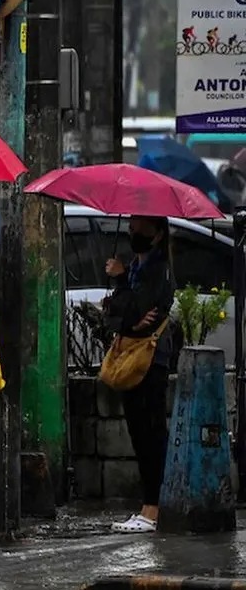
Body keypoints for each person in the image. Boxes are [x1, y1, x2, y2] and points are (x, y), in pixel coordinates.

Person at [102, 216, 175, 533]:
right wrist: (125, 313)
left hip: (150, 360)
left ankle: (154, 507)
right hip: (132, 355)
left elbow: (134, 311)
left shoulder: (157, 270)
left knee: (151, 433)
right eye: (130, 229)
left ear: (157, 234)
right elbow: (116, 317)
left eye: (140, 229)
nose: (133, 234)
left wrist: (120, 286)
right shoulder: (135, 267)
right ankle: (150, 505)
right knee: (139, 432)